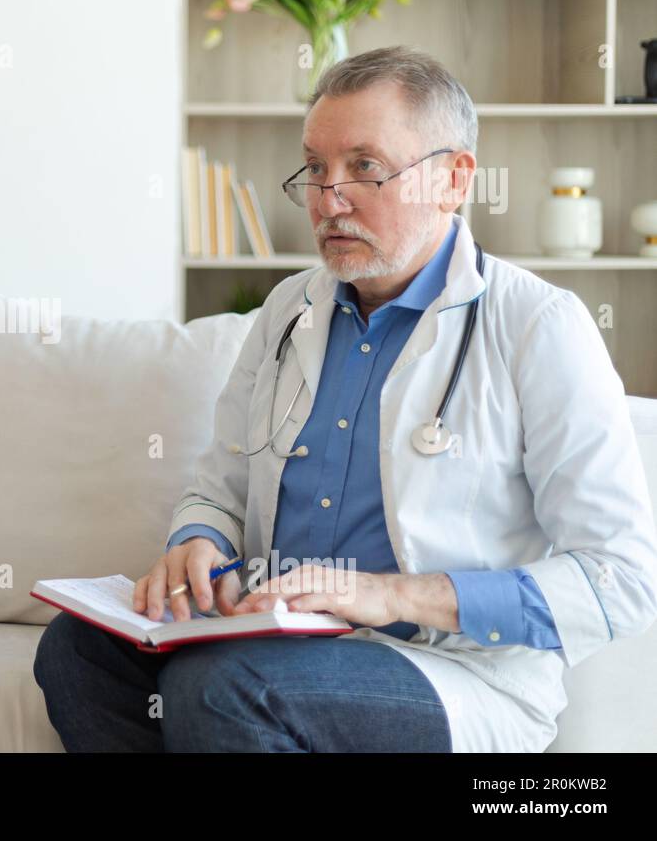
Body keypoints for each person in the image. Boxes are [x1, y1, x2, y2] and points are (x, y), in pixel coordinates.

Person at [34, 46, 657, 753]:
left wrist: (388, 596)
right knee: (76, 650)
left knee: (221, 687)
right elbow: (222, 487)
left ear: (453, 180)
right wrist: (198, 540)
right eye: (316, 168)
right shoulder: (288, 310)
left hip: (452, 668)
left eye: (365, 167)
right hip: (277, 636)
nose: (330, 198)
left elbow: (621, 579)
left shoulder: (538, 328)